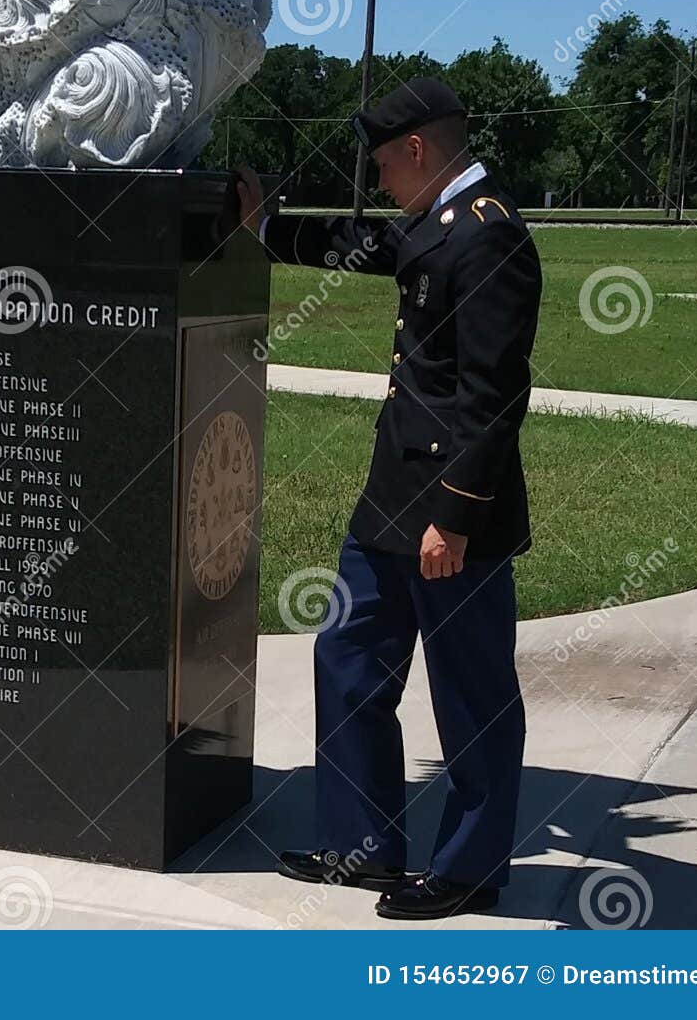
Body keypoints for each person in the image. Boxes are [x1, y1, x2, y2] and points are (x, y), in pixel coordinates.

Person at [237, 77, 542, 920]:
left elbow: (494, 395)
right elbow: (366, 246)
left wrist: (456, 514)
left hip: (452, 512)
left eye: (381, 165)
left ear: (416, 148)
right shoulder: (439, 219)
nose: (377, 182)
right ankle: (361, 845)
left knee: (470, 693)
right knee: (347, 659)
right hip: (391, 497)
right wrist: (264, 228)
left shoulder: (489, 233)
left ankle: (469, 867)